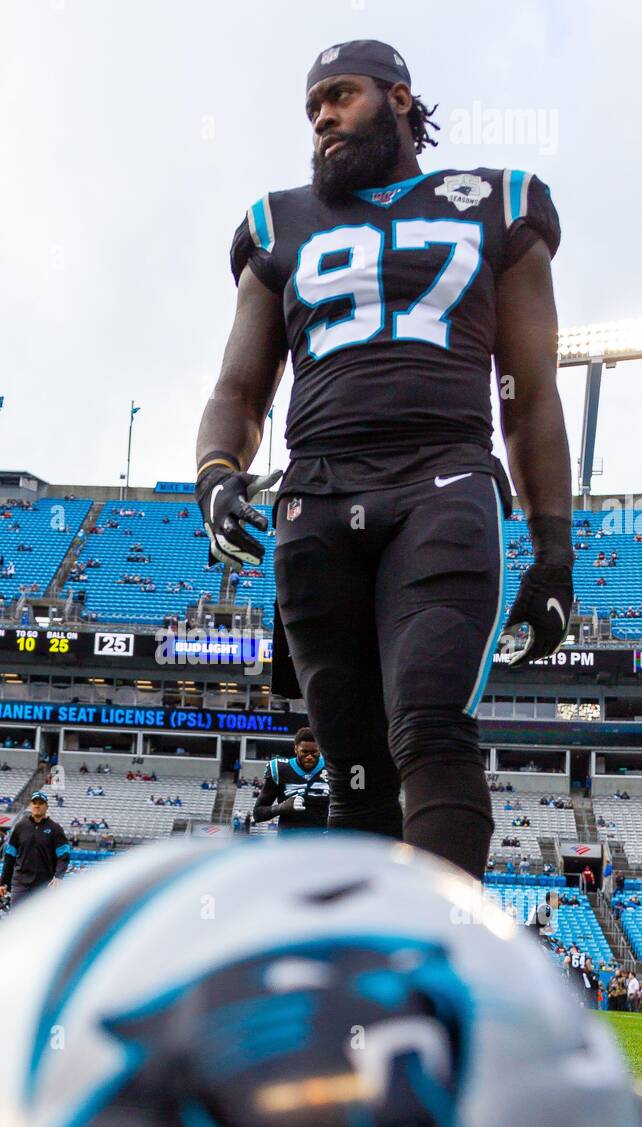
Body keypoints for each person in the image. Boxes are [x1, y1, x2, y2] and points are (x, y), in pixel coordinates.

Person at [195, 38, 573, 882]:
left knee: (432, 726)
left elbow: (531, 394)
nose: (323, 117)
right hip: (317, 496)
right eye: (311, 108)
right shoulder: (278, 221)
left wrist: (555, 554)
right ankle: (362, 985)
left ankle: (442, 968)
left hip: (442, 477)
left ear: (400, 98)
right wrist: (217, 468)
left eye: (341, 94)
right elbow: (239, 387)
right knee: (355, 774)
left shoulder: (496, 201)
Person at [0, 791, 70, 908]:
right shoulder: (20, 827)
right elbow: (9, 857)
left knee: (41, 922)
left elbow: (64, 856)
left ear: (46, 807)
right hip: (20, 884)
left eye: (41, 803)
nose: (37, 805)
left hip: (44, 885)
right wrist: (4, 882)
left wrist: (58, 876)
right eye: (35, 803)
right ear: (31, 805)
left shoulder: (55, 829)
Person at [252, 727, 330, 833]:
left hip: (321, 841)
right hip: (288, 843)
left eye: (314, 752)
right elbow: (257, 814)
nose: (309, 757)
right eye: (305, 752)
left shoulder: (330, 768)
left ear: (319, 750)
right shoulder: (280, 769)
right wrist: (282, 807)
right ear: (296, 749)